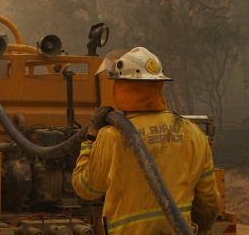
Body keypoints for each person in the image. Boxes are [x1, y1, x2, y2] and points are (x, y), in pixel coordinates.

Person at [72, 47, 223, 235]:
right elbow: (208, 202)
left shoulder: (112, 136)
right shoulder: (192, 133)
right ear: (158, 85)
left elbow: (86, 188)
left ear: (120, 87)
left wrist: (90, 138)